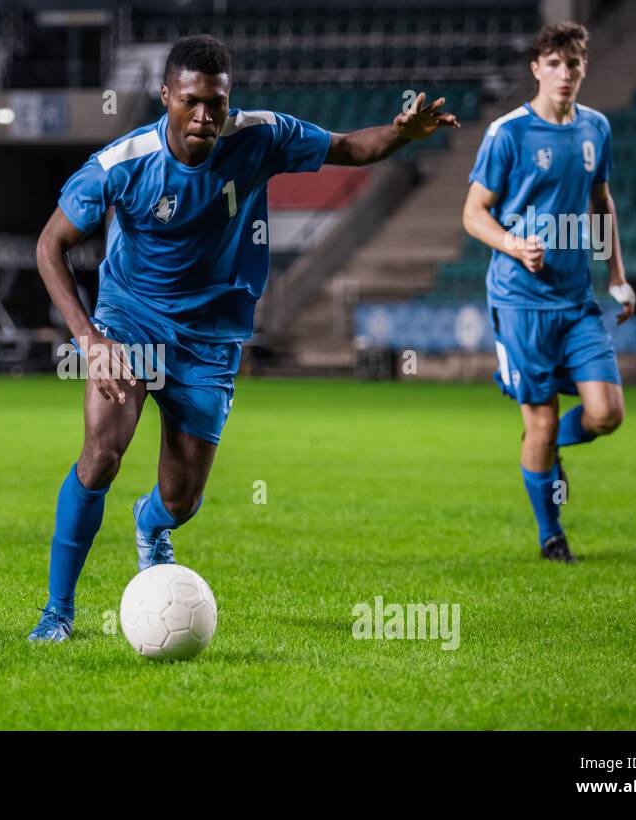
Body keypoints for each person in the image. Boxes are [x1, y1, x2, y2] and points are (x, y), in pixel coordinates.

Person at [29, 34, 458, 640]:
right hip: (132, 322)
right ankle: (57, 612)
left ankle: (150, 524)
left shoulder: (260, 136)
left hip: (211, 336)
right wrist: (89, 339)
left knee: (181, 500)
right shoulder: (121, 164)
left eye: (216, 102)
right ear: (165, 97)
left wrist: (401, 135)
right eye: (190, 101)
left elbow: (346, 149)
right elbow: (50, 244)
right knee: (101, 453)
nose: (204, 115)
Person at [462, 22, 634, 563]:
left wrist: (616, 276)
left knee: (606, 413)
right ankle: (551, 536)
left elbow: (601, 202)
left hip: (576, 298)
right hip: (520, 300)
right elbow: (472, 214)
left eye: (574, 64)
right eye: (554, 64)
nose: (565, 74)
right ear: (536, 69)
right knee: (537, 416)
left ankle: (545, 450)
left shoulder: (596, 129)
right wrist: (514, 245)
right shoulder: (508, 132)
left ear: (584, 69)